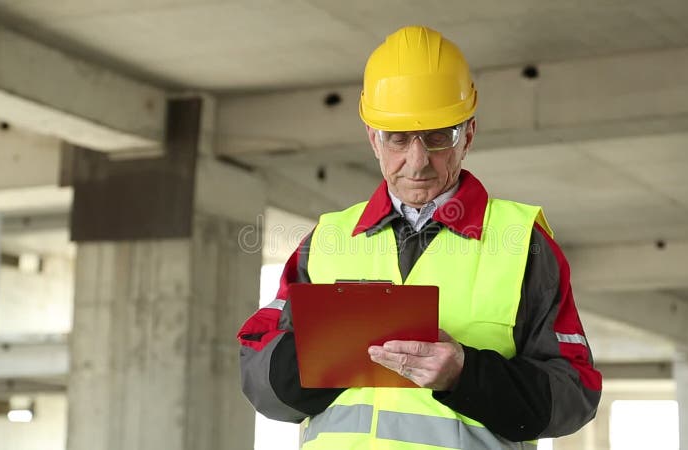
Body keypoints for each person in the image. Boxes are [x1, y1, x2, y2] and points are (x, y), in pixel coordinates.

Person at [238, 25, 601, 449]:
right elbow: (259, 378)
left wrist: (466, 375)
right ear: (373, 139)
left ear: (467, 134)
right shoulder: (326, 240)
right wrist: (329, 358)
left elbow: (576, 394)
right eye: (397, 138)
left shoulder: (524, 244)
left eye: (437, 137)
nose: (417, 161)